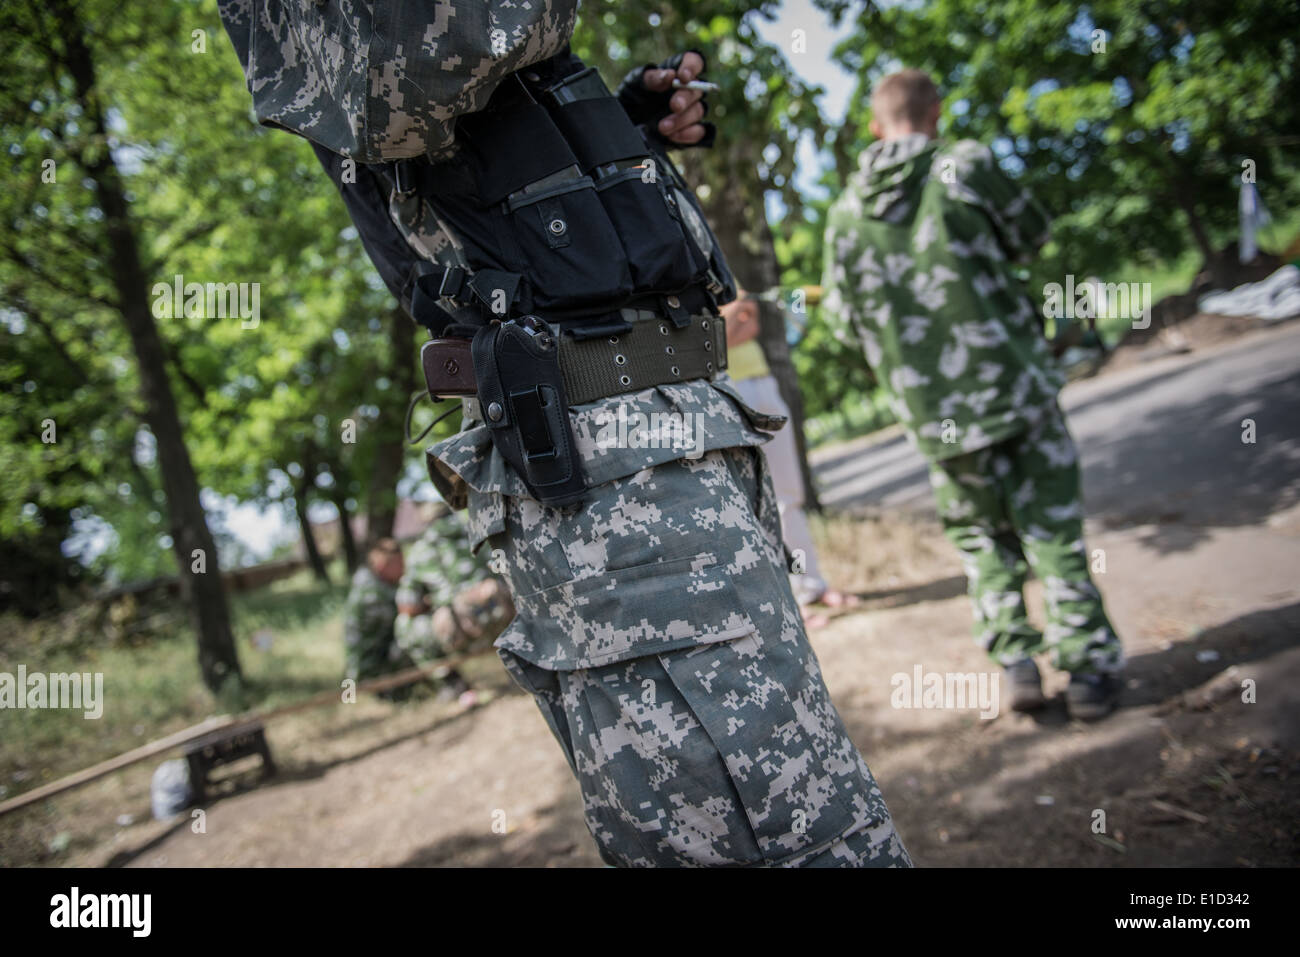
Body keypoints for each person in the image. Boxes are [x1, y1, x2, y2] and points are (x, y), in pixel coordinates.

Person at [219, 1, 910, 867]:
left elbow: (466, 118)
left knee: (789, 816)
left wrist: (606, 133)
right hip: (609, 456)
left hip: (668, 430)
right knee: (802, 840)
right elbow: (411, 71)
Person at [821, 69, 1124, 720]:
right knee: (1051, 529)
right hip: (1015, 384)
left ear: (876, 126)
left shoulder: (845, 213)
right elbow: (1033, 233)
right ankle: (1090, 671)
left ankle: (1017, 665)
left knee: (982, 538)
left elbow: (843, 321)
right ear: (935, 113)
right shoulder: (965, 165)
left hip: (936, 416)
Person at [718, 291, 858, 627]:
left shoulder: (708, 249)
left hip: (761, 383)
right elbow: (718, 332)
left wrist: (733, 316)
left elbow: (744, 322)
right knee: (753, 504)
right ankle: (787, 602)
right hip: (728, 387)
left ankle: (808, 586)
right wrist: (736, 314)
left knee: (787, 497)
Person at [394, 502, 514, 702]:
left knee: (404, 625)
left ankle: (453, 685)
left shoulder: (420, 551)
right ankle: (522, 664)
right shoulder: (481, 531)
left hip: (460, 633)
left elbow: (407, 605)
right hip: (504, 621)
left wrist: (434, 603)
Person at [343, 538, 404, 684]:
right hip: (370, 670)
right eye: (400, 564)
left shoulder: (369, 584)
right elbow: (404, 612)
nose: (403, 568)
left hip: (364, 663)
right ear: (383, 565)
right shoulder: (373, 594)